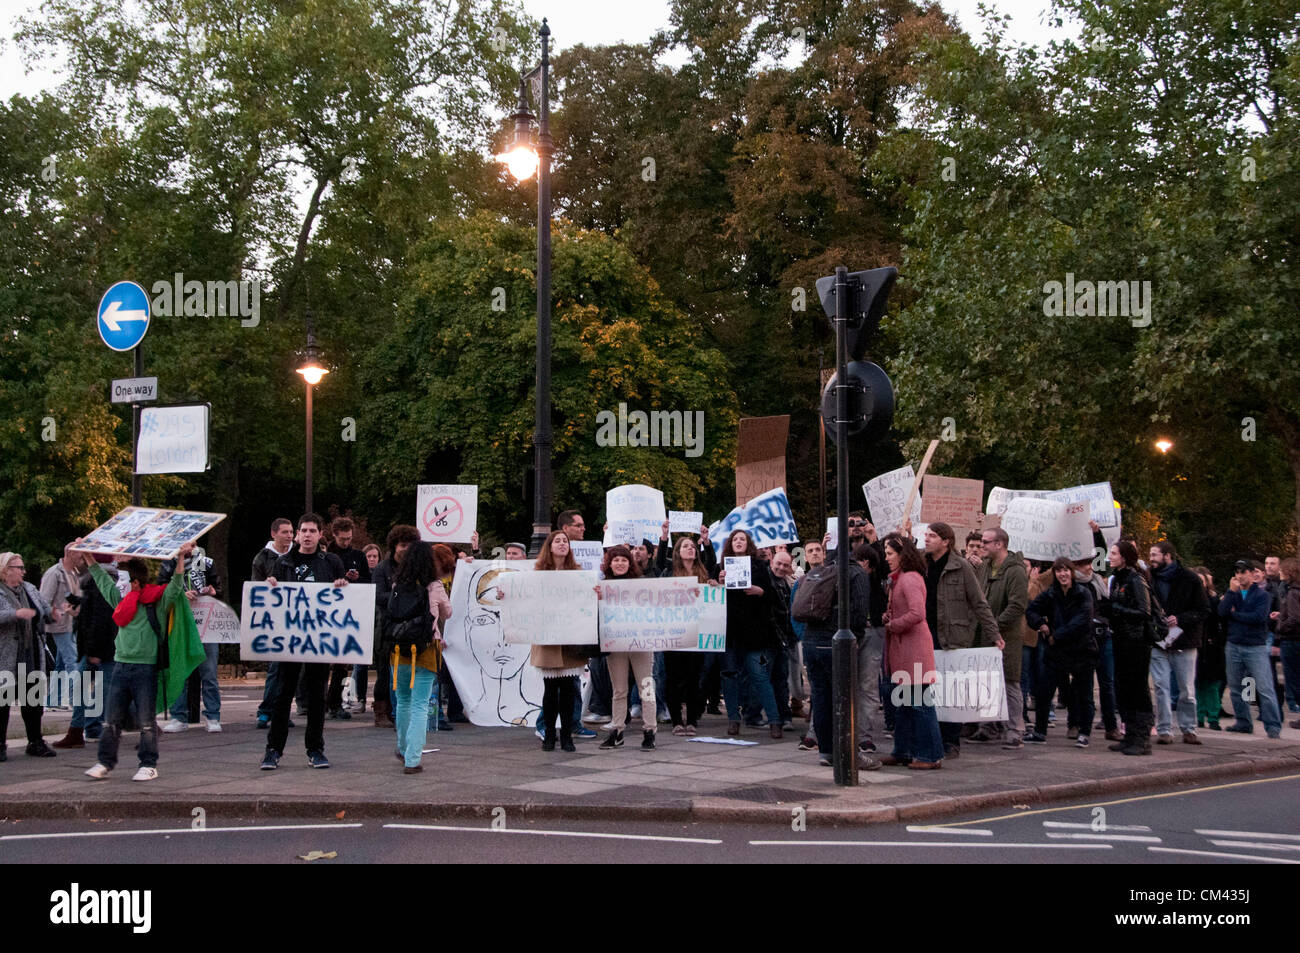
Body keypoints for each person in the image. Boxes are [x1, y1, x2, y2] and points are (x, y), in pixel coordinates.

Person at [83, 542, 196, 781]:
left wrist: (180, 559)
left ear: (135, 583)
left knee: (146, 721)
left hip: (146, 668)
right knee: (110, 719)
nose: (117, 584)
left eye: (121, 580)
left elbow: (175, 586)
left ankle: (148, 763)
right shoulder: (120, 600)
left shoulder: (156, 602)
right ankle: (104, 761)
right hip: (121, 665)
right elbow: (102, 581)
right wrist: (87, 556)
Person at [259, 514, 349, 770]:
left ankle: (315, 749)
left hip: (319, 641)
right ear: (297, 534)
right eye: (303, 530)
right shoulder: (284, 562)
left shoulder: (331, 562)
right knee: (282, 695)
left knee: (317, 697)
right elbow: (273, 599)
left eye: (312, 530)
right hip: (290, 641)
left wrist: (342, 585)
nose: (307, 535)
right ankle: (273, 750)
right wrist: (270, 585)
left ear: (321, 535)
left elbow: (342, 598)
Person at [921, 522, 1001, 759]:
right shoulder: (920, 563)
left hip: (953, 637)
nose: (926, 539)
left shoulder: (961, 566)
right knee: (926, 690)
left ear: (946, 541)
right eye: (926, 535)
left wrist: (994, 633)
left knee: (950, 692)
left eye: (932, 536)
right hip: (925, 634)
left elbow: (979, 603)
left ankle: (950, 741)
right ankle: (931, 737)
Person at [800, 541, 881, 770]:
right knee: (844, 698)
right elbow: (857, 614)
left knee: (821, 698)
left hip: (811, 642)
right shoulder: (855, 573)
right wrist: (854, 638)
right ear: (863, 561)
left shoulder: (820, 572)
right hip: (834, 643)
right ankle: (849, 753)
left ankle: (826, 751)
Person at [385, 541, 452, 774]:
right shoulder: (433, 585)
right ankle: (413, 759)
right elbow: (448, 612)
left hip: (399, 648)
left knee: (402, 700)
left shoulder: (397, 584)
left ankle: (403, 749)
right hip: (425, 648)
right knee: (420, 704)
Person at [880, 534, 943, 769]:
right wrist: (890, 616)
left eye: (889, 554)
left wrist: (893, 624)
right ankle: (904, 751)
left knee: (919, 704)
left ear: (901, 555)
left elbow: (918, 613)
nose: (886, 558)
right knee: (904, 704)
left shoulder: (909, 579)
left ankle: (930, 755)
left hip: (913, 650)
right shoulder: (902, 579)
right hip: (905, 650)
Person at [1025, 557, 1097, 747]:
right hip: (1056, 652)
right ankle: (1040, 731)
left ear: (1071, 572)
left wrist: (1056, 635)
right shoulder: (1050, 594)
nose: (1062, 574)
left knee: (1084, 693)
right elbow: (1031, 610)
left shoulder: (1083, 593)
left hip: (1082, 650)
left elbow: (1083, 620)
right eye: (1058, 571)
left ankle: (1084, 732)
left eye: (1065, 570)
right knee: (1044, 691)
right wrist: (1040, 624)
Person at [529, 530, 591, 752]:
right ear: (550, 546)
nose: (562, 544)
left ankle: (567, 735)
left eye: (565, 541)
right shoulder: (538, 573)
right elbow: (524, 596)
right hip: (547, 638)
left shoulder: (578, 572)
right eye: (558, 541)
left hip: (570, 638)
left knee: (568, 690)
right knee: (550, 690)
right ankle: (549, 734)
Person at [719, 529, 784, 738]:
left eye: (743, 539)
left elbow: (773, 597)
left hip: (754, 632)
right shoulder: (721, 568)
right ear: (730, 544)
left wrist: (761, 591)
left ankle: (774, 720)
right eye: (735, 539)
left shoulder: (759, 567)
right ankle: (733, 719)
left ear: (749, 545)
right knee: (730, 677)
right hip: (730, 632)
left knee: (759, 676)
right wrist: (717, 583)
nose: (739, 542)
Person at [52, 557, 120, 749]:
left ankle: (82, 731)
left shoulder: (97, 581)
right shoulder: (103, 579)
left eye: (83, 557)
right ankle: (90, 729)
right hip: (103, 646)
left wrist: (93, 650)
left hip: (100, 648)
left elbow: (100, 617)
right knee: (98, 688)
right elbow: (94, 612)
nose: (79, 560)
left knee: (90, 688)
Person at [1147, 542, 1209, 745]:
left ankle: (1189, 728)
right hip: (1158, 641)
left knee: (1186, 689)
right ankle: (1164, 729)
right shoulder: (1148, 578)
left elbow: (1203, 610)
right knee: (1161, 687)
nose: (1151, 558)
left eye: (1155, 555)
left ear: (1168, 556)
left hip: (1184, 641)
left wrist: (1180, 619)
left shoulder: (1190, 579)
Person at [596, 545, 657, 750]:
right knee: (619, 689)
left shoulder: (641, 584)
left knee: (646, 687)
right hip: (616, 643)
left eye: (624, 560)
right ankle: (617, 730)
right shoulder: (602, 586)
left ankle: (650, 730)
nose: (620, 563)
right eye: (616, 560)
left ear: (630, 563)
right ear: (609, 564)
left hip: (641, 642)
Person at [972, 527, 1028, 749]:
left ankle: (1016, 729)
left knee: (1009, 681)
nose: (982, 545)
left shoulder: (1015, 571)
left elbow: (1017, 605)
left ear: (1000, 544)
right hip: (987, 634)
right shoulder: (985, 567)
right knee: (986, 681)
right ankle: (987, 726)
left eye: (986, 542)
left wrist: (994, 625)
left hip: (1007, 636)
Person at [0, 551, 59, 761]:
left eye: (23, 567)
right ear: (6, 570)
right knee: (3, 702)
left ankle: (35, 742)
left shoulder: (30, 589)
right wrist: (15, 614)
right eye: (19, 567)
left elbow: (43, 611)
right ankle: (0, 745)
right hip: (6, 655)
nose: (24, 571)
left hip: (31, 652)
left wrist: (52, 614)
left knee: (33, 702)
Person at [158, 548, 224, 732]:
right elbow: (161, 589)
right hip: (180, 625)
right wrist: (180, 594)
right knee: (179, 672)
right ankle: (178, 717)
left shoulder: (206, 562)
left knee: (209, 672)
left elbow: (219, 590)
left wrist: (212, 591)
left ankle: (212, 716)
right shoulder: (168, 563)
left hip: (205, 625)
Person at [1101, 540, 1155, 755]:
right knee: (1122, 688)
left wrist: (1115, 608)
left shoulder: (1135, 579)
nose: (1110, 557)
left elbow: (1144, 612)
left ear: (1124, 556)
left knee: (1137, 688)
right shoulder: (1117, 580)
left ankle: (1141, 738)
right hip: (1120, 639)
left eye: (1114, 553)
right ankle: (1129, 734)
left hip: (1137, 642)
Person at [1219, 559, 1282, 737]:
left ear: (1252, 575)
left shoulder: (1262, 595)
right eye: (1237, 572)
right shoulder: (1234, 593)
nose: (1240, 576)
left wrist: (1235, 614)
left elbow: (1258, 617)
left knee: (1264, 687)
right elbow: (1222, 612)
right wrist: (1231, 593)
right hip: (1234, 644)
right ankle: (1243, 721)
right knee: (1238, 687)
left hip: (1255, 646)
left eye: (1243, 572)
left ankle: (1273, 725)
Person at [369, 525, 420, 727]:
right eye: (403, 545)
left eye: (410, 545)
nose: (406, 549)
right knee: (384, 670)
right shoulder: (382, 568)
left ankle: (401, 709)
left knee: (405, 671)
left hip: (410, 627)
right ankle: (381, 711)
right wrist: (400, 596)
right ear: (394, 546)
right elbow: (377, 595)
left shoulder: (416, 567)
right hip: (386, 626)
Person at [663, 535, 714, 735]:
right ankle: (677, 720)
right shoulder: (669, 573)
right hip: (674, 633)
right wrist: (663, 538)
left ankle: (692, 720)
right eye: (686, 546)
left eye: (693, 546)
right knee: (674, 679)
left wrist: (713, 587)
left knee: (695, 678)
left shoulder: (704, 573)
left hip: (698, 633)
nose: (690, 548)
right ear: (677, 552)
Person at [253, 518, 299, 728]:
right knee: (275, 667)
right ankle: (266, 710)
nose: (289, 536)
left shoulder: (297, 555)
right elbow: (255, 588)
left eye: (291, 532)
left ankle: (280, 710)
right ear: (274, 534)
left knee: (289, 669)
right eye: (285, 532)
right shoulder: (262, 559)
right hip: (274, 619)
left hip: (296, 617)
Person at [325, 517, 372, 720]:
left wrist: (355, 578)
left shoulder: (358, 555)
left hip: (349, 612)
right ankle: (320, 702)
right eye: (343, 539)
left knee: (343, 664)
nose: (346, 542)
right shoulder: (325, 555)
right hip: (329, 612)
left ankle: (336, 701)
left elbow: (368, 582)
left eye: (349, 538)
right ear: (334, 536)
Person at [1073, 555, 1120, 741]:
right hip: (1084, 638)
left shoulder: (1097, 582)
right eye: (1085, 564)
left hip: (1103, 635)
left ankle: (1111, 725)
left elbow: (1107, 606)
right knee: (1083, 684)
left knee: (1107, 682)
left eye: (1090, 563)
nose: (1089, 568)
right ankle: (1080, 725)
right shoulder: (1075, 585)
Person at [39, 542, 83, 710]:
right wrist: (55, 613)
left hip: (73, 624)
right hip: (60, 625)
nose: (82, 557)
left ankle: (52, 700)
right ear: (70, 554)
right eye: (79, 554)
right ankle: (75, 700)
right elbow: (43, 601)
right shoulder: (54, 573)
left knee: (62, 664)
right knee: (73, 661)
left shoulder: (75, 573)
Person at [1193, 567, 1226, 730]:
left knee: (1212, 684)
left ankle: (1213, 716)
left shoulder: (1213, 601)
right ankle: (1199, 715)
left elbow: (1221, 621)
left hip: (1212, 646)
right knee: (1198, 684)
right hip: (1197, 645)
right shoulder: (1190, 601)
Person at [1275, 558, 1300, 730]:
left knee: (1294, 680)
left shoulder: (1293, 592)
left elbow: (1295, 618)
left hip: (1292, 640)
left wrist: (1281, 626)